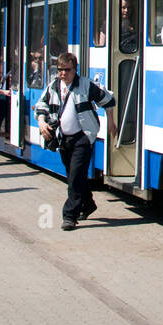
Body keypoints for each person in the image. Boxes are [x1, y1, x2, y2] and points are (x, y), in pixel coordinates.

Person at [35, 52, 115, 231]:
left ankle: (69, 216)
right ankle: (88, 204)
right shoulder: (53, 86)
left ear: (75, 70)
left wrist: (111, 122)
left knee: (75, 176)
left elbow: (108, 100)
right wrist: (41, 122)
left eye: (67, 70)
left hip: (83, 137)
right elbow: (41, 105)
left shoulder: (86, 85)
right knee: (73, 174)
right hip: (63, 138)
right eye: (60, 70)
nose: (63, 73)